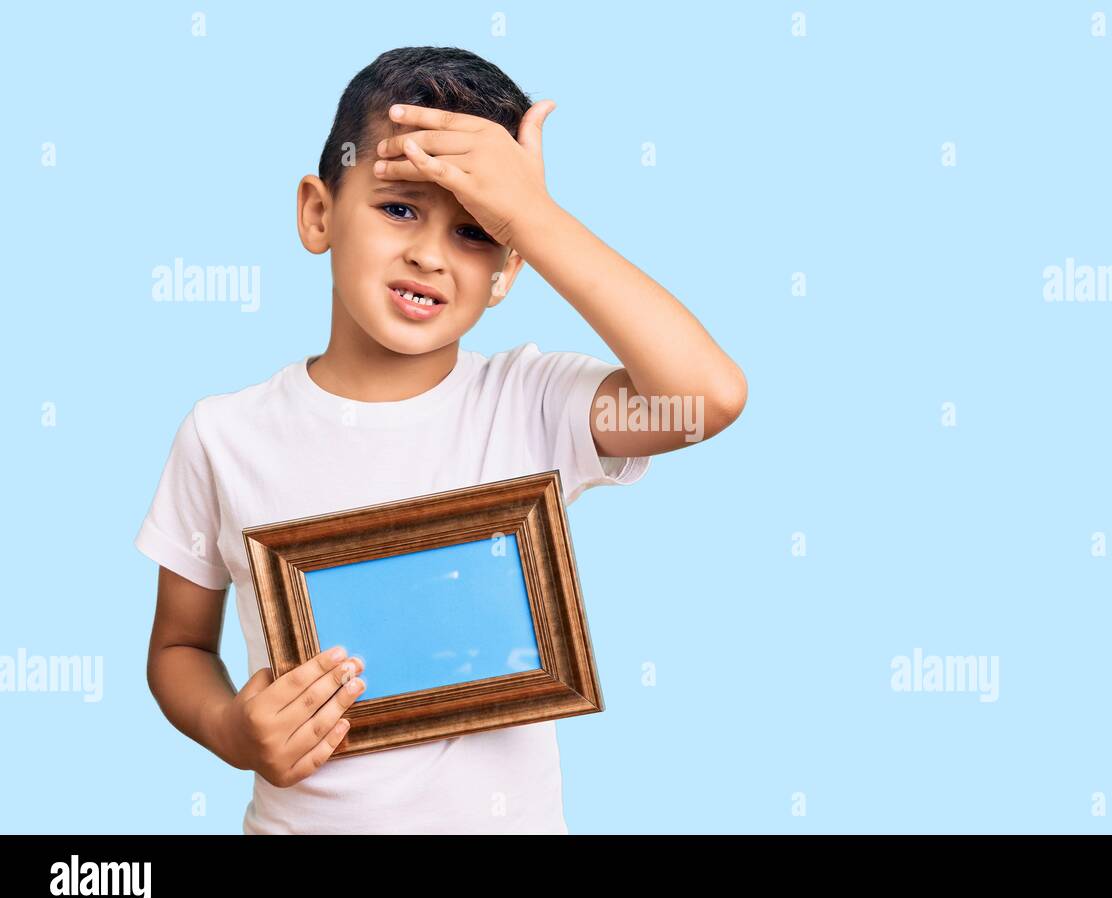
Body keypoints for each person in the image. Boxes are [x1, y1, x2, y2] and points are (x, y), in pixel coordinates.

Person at [133, 46, 747, 834]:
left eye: (473, 230)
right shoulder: (223, 435)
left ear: (508, 268)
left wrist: (534, 215)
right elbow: (178, 647)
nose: (429, 253)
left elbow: (709, 397)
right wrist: (230, 730)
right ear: (318, 214)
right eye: (398, 209)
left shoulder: (531, 404)